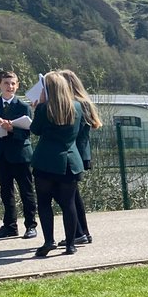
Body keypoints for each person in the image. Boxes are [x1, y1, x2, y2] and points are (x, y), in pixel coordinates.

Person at [29, 72, 86, 257]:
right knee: (69, 204)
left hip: (45, 161)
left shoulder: (44, 109)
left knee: (44, 203)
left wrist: (37, 107)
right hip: (69, 161)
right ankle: (70, 245)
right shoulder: (77, 107)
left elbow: (35, 130)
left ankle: (48, 241)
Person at [0, 70, 38, 240]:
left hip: (21, 155)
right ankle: (10, 226)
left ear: (17, 85)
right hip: (1, 154)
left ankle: (31, 225)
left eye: (13, 83)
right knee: (6, 192)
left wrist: (12, 129)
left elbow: (28, 132)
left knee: (26, 191)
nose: (10, 87)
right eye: (6, 83)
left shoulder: (23, 106)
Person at [60, 70, 100, 245]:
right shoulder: (83, 102)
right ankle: (83, 232)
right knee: (74, 195)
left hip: (74, 153)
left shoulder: (76, 104)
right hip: (81, 152)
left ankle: (79, 233)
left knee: (69, 197)